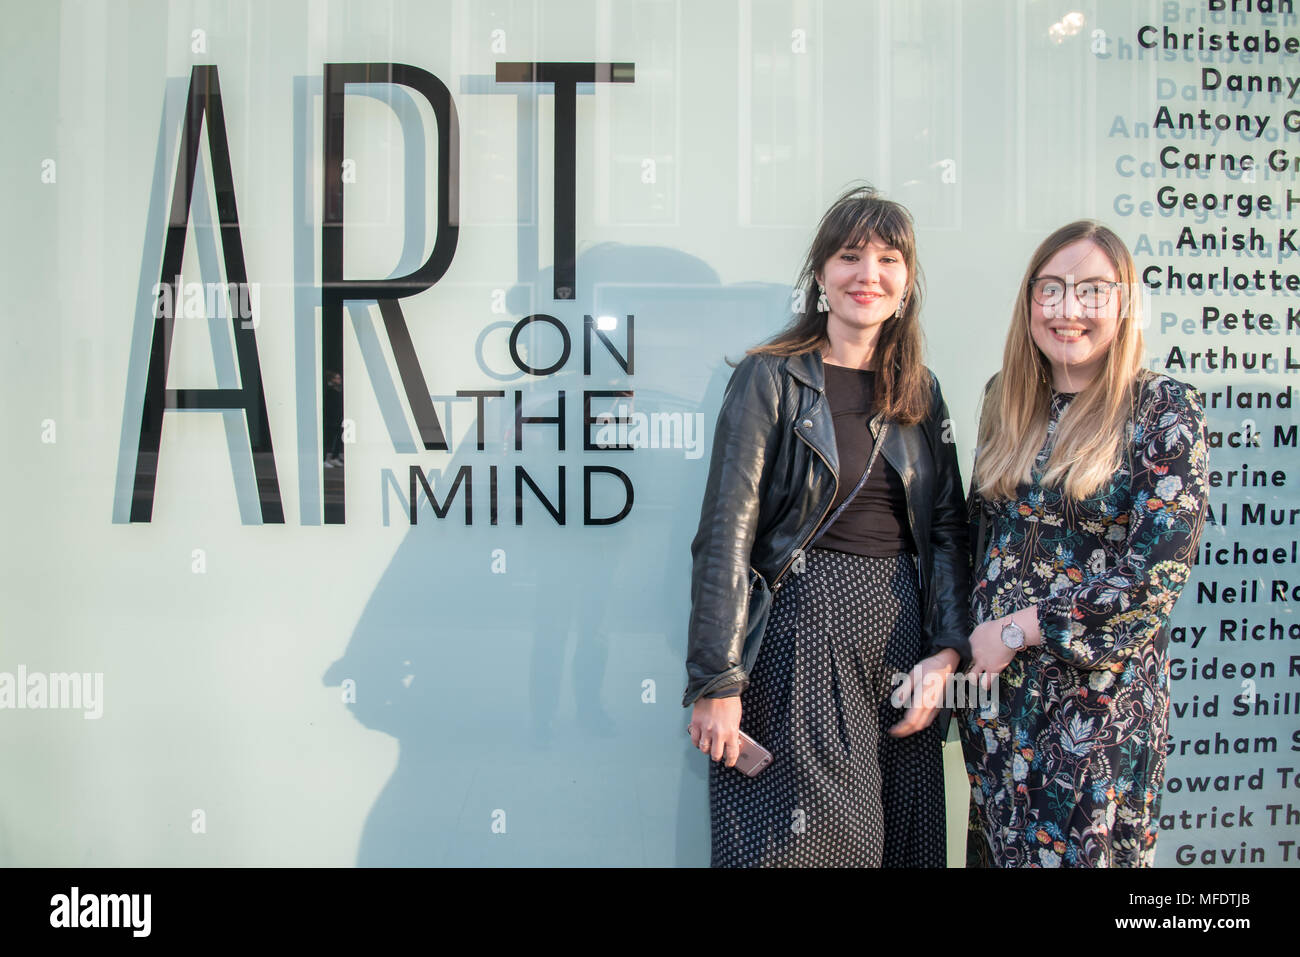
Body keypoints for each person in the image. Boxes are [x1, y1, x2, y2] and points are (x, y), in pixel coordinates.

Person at [683, 185, 971, 867]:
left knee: (906, 845)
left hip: (905, 651)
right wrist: (717, 679)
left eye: (888, 259)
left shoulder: (921, 391)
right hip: (806, 638)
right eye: (849, 256)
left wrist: (948, 651)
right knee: (808, 847)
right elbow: (727, 532)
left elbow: (948, 531)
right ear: (820, 274)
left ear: (907, 281)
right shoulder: (771, 379)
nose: (868, 274)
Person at [960, 221, 1209, 868]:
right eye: (1052, 289)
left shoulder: (1161, 410)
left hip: (1095, 725)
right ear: (1029, 301)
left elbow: (1153, 580)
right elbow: (976, 541)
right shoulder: (1006, 400)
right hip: (998, 718)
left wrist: (1019, 628)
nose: (1070, 310)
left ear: (1124, 304)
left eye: (1093, 290)